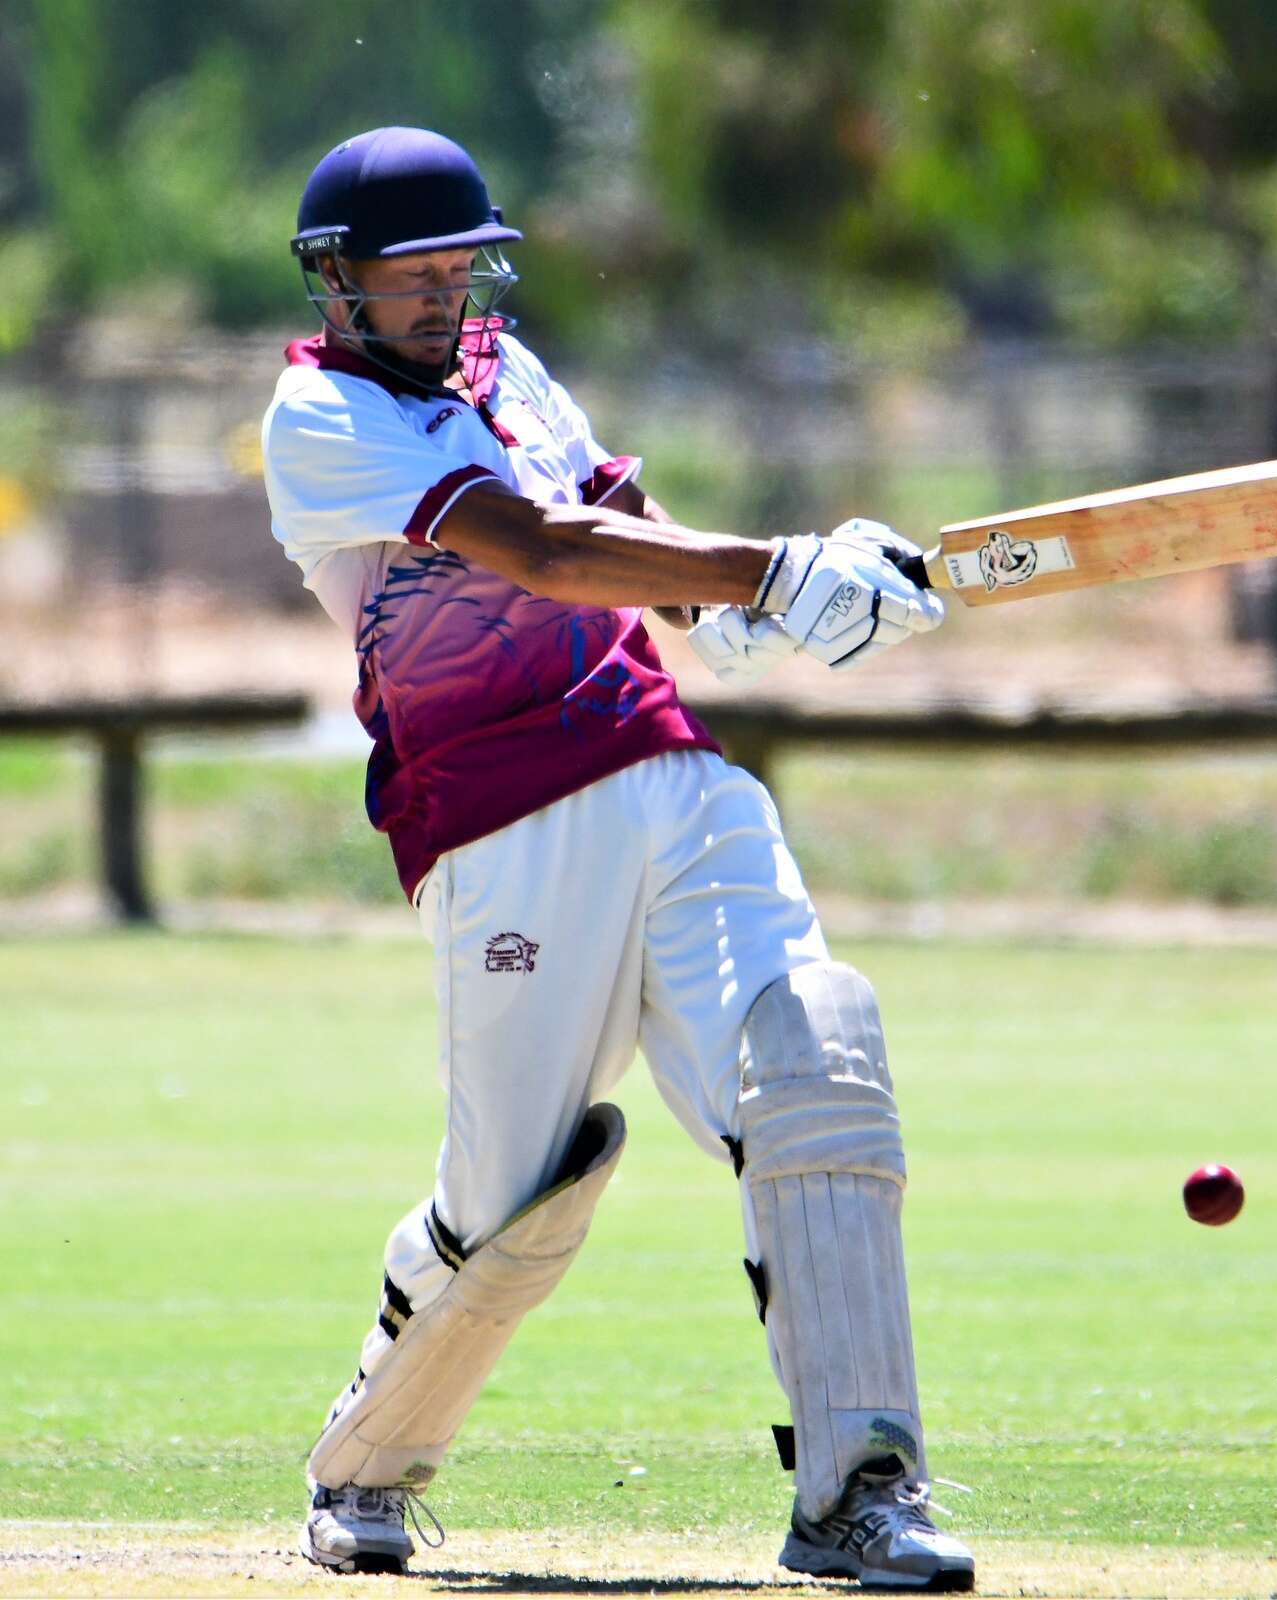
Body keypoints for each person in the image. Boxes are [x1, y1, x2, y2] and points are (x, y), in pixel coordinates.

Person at [262, 125, 974, 1589]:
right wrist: (771, 567)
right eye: (412, 276)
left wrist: (740, 617)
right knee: (512, 1202)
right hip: (500, 820)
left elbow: (613, 510)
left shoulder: (500, 368)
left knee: (811, 1069)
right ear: (335, 281)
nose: (444, 299)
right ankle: (363, 1465)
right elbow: (541, 548)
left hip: (665, 763)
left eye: (462, 269)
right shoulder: (319, 421)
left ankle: (858, 1491)